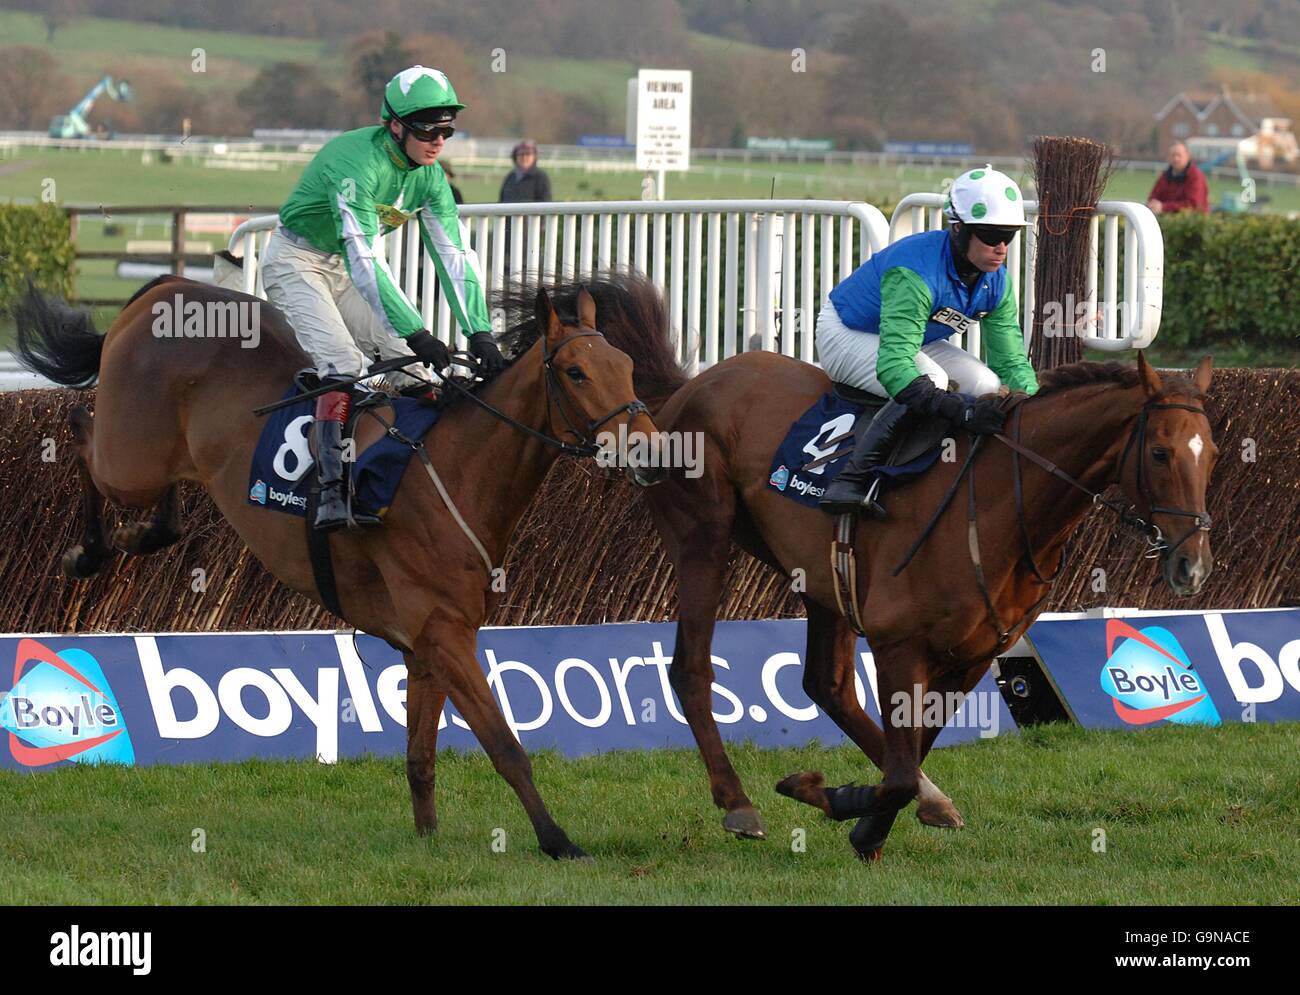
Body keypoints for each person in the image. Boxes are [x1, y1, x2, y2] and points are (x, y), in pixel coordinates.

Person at [260, 65, 506, 531]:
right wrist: (418, 331)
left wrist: (479, 333)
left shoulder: (431, 178)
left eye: (446, 130)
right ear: (394, 125)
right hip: (297, 261)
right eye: (426, 129)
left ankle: (399, 477)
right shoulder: (355, 164)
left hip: (347, 271)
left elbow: (454, 255)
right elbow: (367, 261)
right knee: (343, 364)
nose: (437, 141)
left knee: (414, 372)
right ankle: (329, 491)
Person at [816, 164, 1040, 518]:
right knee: (932, 382)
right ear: (958, 229)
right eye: (991, 234)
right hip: (847, 332)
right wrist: (960, 410)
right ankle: (852, 480)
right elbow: (895, 366)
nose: (1001, 248)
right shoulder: (914, 272)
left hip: (913, 337)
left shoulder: (998, 283)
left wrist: (1036, 411)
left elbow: (1010, 362)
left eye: (1009, 236)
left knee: (986, 383)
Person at [1146, 141, 1209, 215]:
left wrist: (1164, 207)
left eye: (1179, 155)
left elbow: (1193, 205)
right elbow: (1153, 197)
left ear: (1187, 156)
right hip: (1165, 219)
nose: (1176, 158)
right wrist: (1153, 205)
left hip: (1191, 222)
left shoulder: (1195, 176)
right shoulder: (1165, 176)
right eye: (1173, 155)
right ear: (1168, 157)